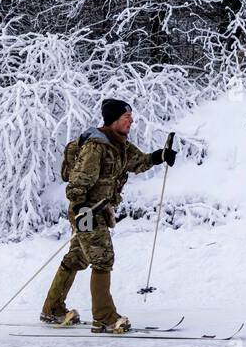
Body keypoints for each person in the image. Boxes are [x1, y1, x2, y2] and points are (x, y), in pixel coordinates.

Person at [40, 98, 176, 333]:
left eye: (131, 117)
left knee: (77, 258)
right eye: (126, 117)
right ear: (114, 120)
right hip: (87, 211)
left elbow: (139, 162)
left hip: (100, 210)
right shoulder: (96, 146)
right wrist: (82, 210)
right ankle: (104, 318)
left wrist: (160, 156)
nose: (131, 121)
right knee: (103, 259)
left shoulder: (120, 144)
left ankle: (52, 310)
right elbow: (78, 181)